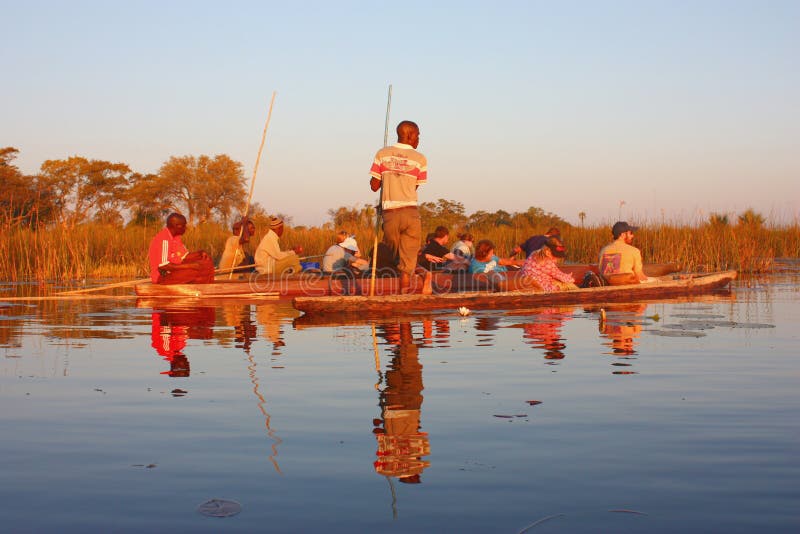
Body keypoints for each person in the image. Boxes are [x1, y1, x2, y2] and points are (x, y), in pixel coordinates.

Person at [370, 120, 427, 291]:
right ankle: (404, 297)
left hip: (390, 214)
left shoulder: (382, 154)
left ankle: (402, 289)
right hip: (410, 212)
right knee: (406, 264)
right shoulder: (420, 159)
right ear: (409, 135)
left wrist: (386, 174)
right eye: (418, 135)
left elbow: (374, 186)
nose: (419, 139)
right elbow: (414, 186)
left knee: (398, 257)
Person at [148, 212, 215, 284]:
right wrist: (191, 266)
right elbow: (164, 266)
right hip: (162, 277)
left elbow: (184, 257)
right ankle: (200, 286)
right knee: (195, 270)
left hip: (174, 271)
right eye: (184, 225)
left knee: (206, 261)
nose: (185, 228)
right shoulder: (164, 239)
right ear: (177, 226)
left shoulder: (176, 238)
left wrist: (199, 253)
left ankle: (204, 285)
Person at [598, 221, 652, 285]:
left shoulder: (603, 251)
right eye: (631, 233)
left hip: (606, 287)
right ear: (623, 235)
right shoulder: (634, 251)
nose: (633, 236)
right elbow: (640, 276)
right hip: (628, 288)